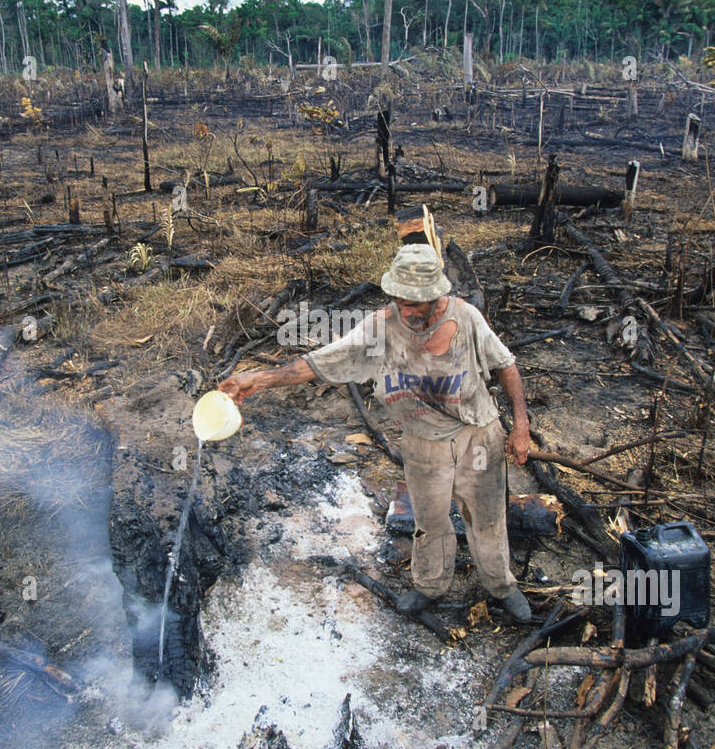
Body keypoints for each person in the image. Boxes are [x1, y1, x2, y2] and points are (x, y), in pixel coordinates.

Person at [219, 243, 535, 623]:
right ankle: (430, 585)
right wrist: (258, 378)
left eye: (415, 303)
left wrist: (521, 426)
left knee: (486, 517)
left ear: (437, 296)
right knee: (429, 520)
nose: (407, 311)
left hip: (476, 435)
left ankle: (501, 585)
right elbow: (322, 362)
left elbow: (507, 365)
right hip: (421, 439)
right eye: (401, 301)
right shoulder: (382, 325)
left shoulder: (467, 319)